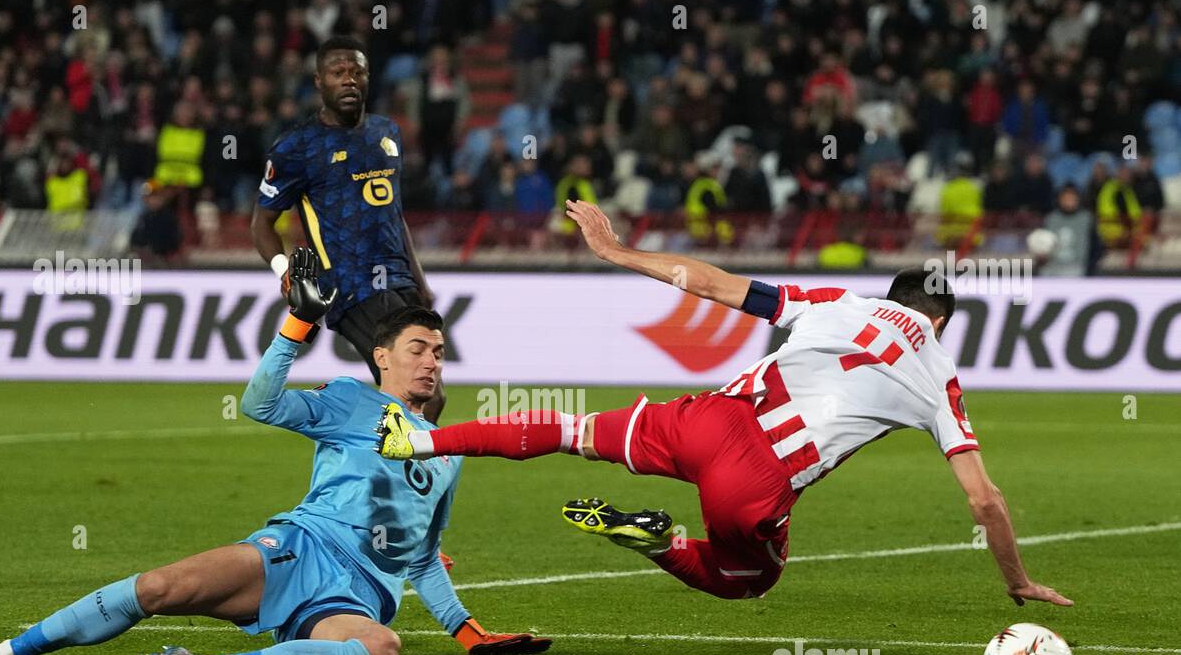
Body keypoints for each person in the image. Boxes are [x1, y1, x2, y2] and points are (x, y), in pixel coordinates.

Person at [376, 200, 1072, 611]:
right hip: (757, 480)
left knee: (568, 428)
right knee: (750, 577)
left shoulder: (838, 301)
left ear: (890, 296)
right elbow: (983, 500)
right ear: (942, 319)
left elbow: (714, 284)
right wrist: (1018, 580)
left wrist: (618, 252)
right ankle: (661, 539)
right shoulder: (937, 367)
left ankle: (420, 442)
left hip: (705, 420)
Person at [0, 250, 551, 655]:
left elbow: (422, 557)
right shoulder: (350, 400)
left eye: (439, 353)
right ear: (382, 356)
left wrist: (468, 632)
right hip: (297, 549)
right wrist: (299, 322)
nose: (432, 362)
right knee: (157, 588)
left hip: (357, 595)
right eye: (419, 349)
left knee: (383, 651)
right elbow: (260, 403)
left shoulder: (449, 452)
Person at [249, 37, 445, 424]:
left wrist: (419, 281)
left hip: (400, 281)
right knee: (421, 394)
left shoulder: (387, 134)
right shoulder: (296, 148)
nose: (350, 80)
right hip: (352, 287)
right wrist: (285, 272)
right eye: (339, 73)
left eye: (357, 71)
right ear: (319, 81)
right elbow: (262, 224)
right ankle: (407, 480)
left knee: (417, 401)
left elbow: (395, 215)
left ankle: (386, 474)